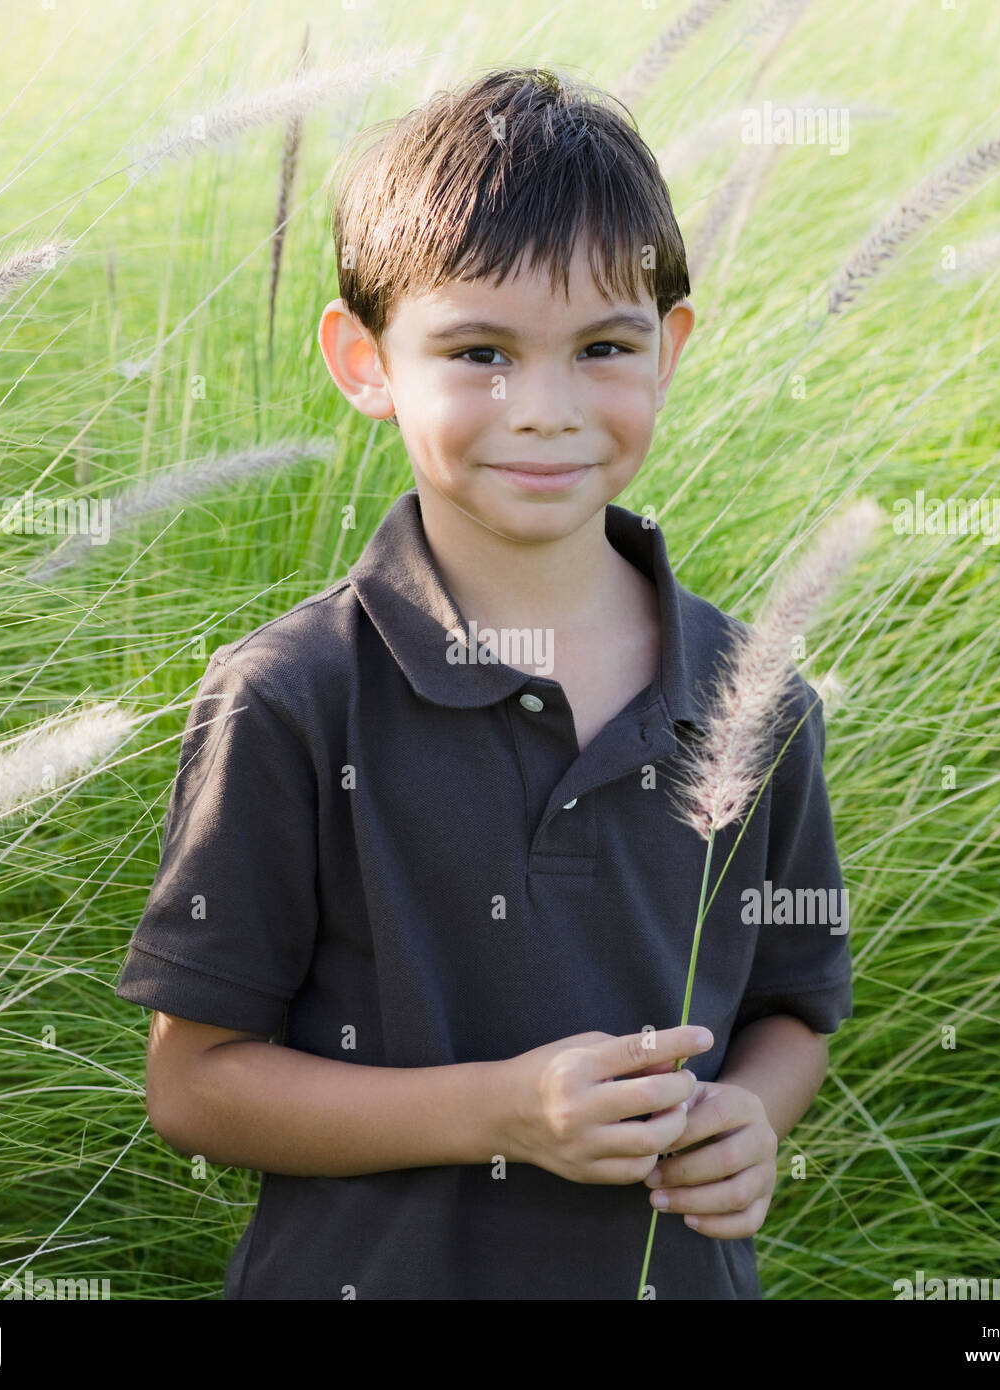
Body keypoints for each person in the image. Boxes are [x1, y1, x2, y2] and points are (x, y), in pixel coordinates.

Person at [114, 65, 851, 1299]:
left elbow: (790, 1010)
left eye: (602, 347)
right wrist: (503, 1113)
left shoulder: (752, 693)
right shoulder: (292, 696)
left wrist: (750, 1116)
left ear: (668, 350)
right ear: (364, 361)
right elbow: (194, 1082)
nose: (547, 409)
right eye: (479, 350)